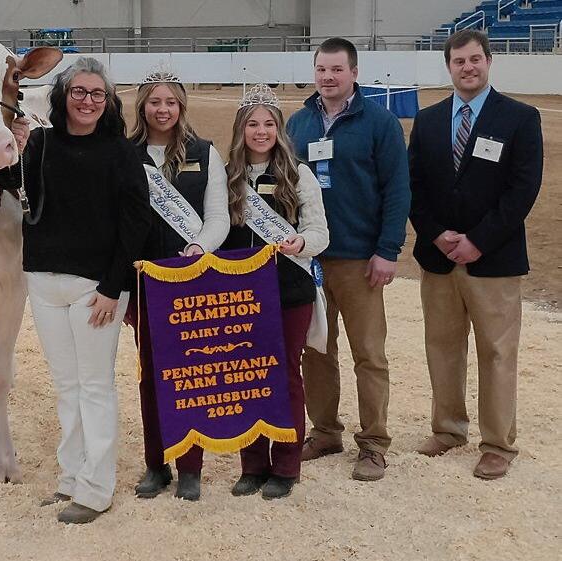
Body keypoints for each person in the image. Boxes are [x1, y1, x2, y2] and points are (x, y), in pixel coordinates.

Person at [8, 57, 152, 524]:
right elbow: (14, 190)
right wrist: (9, 150)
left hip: (97, 288)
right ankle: (70, 477)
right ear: (63, 96)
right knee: (67, 386)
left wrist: (115, 287)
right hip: (43, 281)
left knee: (94, 387)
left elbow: (135, 225)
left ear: (107, 102)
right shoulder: (41, 144)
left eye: (96, 94)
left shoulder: (121, 153)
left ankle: (97, 487)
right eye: (79, 92)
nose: (88, 101)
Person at [407, 30, 542, 480]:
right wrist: (436, 234)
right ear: (448, 66)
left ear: (489, 62)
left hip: (494, 259)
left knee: (496, 351)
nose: (468, 67)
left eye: (475, 59)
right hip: (440, 258)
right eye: (459, 61)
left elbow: (522, 190)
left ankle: (498, 443)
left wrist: (478, 240)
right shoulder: (427, 121)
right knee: (442, 347)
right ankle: (448, 429)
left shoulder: (521, 118)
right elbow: (415, 188)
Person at [286, 37, 411, 481]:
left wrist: (387, 250)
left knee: (369, 354)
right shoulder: (297, 124)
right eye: (322, 69)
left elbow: (398, 189)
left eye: (337, 70)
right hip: (311, 262)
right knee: (316, 350)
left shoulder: (380, 123)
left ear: (354, 73)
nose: (328, 77)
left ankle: (374, 442)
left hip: (360, 261)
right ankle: (324, 431)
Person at [220, 84, 329, 500]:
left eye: (268, 124)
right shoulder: (227, 175)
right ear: (241, 129)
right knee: (246, 377)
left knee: (284, 375)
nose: (260, 131)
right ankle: (252, 464)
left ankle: (287, 464)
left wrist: (302, 243)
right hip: (240, 292)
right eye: (252, 123)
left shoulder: (296, 174)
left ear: (279, 130)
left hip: (288, 289)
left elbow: (320, 231)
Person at [125, 68, 229, 501]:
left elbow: (218, 215)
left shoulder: (205, 153)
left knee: (192, 374)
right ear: (142, 106)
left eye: (170, 101)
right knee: (151, 375)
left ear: (181, 106)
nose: (162, 109)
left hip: (193, 279)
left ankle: (191, 466)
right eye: (154, 101)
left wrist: (201, 247)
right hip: (145, 280)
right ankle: (156, 463)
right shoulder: (125, 154)